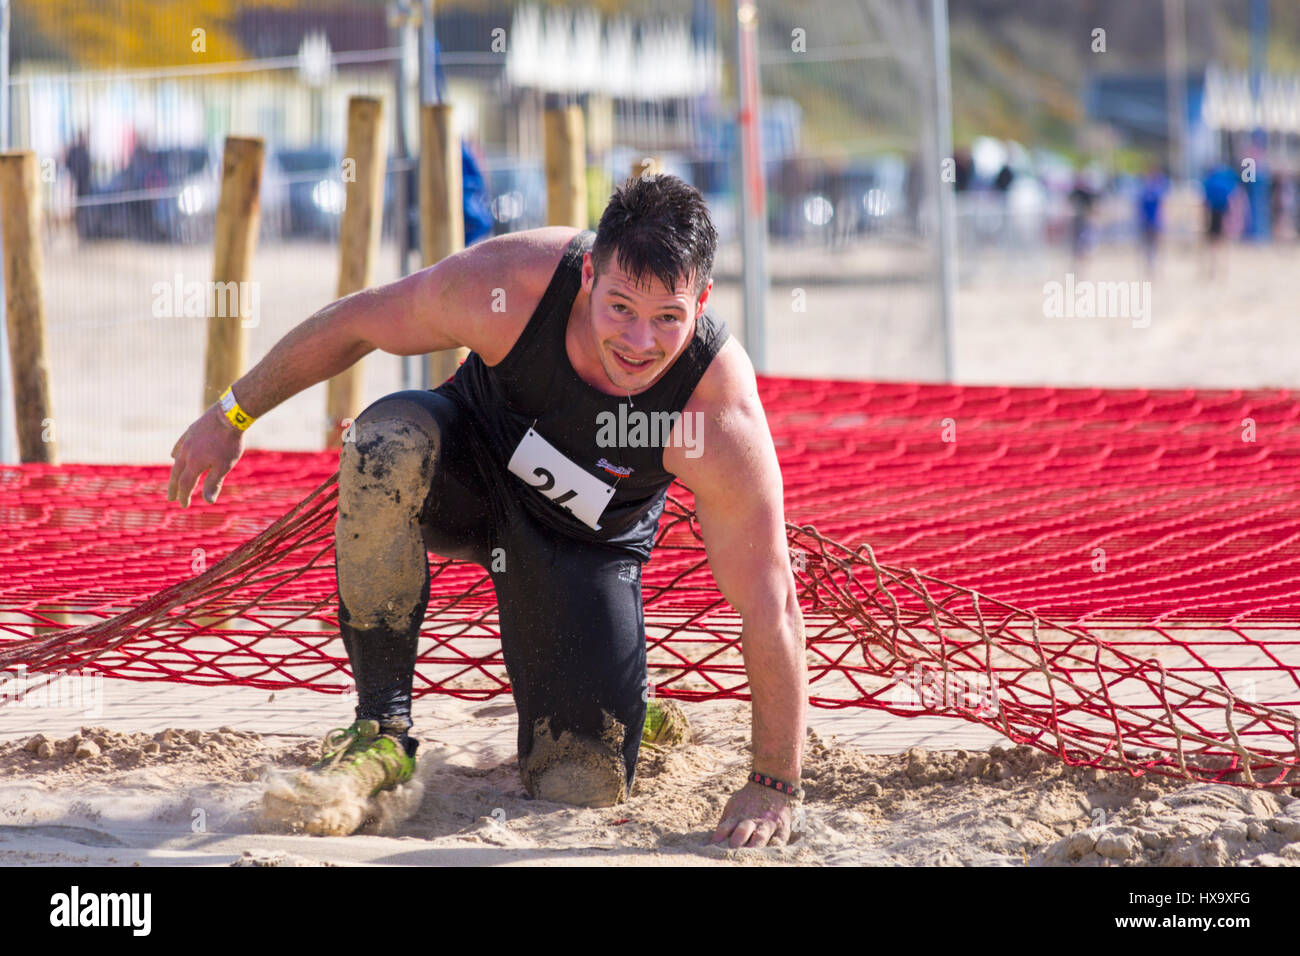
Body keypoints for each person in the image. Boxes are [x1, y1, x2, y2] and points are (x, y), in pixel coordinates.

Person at [167, 174, 808, 848]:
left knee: (578, 783)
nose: (640, 342)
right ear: (588, 274)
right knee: (382, 442)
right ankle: (380, 730)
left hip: (581, 548)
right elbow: (359, 320)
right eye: (620, 307)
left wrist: (773, 783)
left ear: (701, 302)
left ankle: (621, 699)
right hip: (467, 474)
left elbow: (771, 603)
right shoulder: (511, 288)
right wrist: (232, 413)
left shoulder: (714, 412)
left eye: (668, 319)